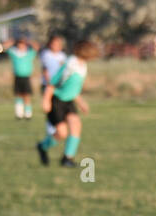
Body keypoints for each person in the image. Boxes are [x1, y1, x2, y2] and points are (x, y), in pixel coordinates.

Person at [38, 40, 96, 168]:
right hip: (57, 100)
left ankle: (67, 158)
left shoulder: (83, 65)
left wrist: (81, 102)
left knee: (76, 125)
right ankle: (42, 147)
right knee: (62, 133)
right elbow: (53, 83)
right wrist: (46, 101)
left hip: (69, 101)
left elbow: (73, 88)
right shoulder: (70, 63)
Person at [39, 34, 67, 140]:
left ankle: (60, 128)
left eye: (58, 44)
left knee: (60, 107)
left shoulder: (63, 56)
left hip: (59, 86)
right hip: (49, 85)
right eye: (53, 43)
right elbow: (45, 69)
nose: (55, 45)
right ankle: (51, 130)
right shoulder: (46, 54)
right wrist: (49, 83)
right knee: (50, 108)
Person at [6, 34, 38, 119]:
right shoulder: (15, 53)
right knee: (18, 94)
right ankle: (19, 113)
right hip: (17, 76)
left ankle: (28, 113)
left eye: (23, 43)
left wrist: (28, 41)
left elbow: (36, 47)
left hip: (26, 77)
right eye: (20, 43)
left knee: (27, 95)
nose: (21, 45)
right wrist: (13, 41)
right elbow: (5, 46)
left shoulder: (29, 53)